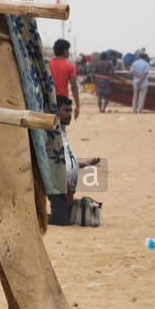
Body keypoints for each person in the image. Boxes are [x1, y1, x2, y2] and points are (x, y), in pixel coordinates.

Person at [48, 95, 101, 226]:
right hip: (60, 187)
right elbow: (54, 164)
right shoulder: (52, 134)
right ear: (56, 111)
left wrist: (84, 164)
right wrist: (68, 189)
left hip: (66, 187)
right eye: (65, 110)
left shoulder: (62, 131)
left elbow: (65, 161)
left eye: (70, 111)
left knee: (67, 217)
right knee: (62, 222)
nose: (69, 114)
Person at [48, 40, 80, 121]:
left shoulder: (48, 64)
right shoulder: (70, 66)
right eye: (68, 50)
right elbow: (74, 87)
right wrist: (77, 106)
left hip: (49, 100)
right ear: (65, 50)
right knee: (61, 128)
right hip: (63, 103)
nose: (69, 52)